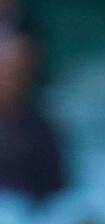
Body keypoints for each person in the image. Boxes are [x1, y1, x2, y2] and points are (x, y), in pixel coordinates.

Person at [0, 30, 63, 200]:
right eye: (4, 72)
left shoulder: (42, 129)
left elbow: (57, 192)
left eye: (16, 74)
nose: (8, 81)